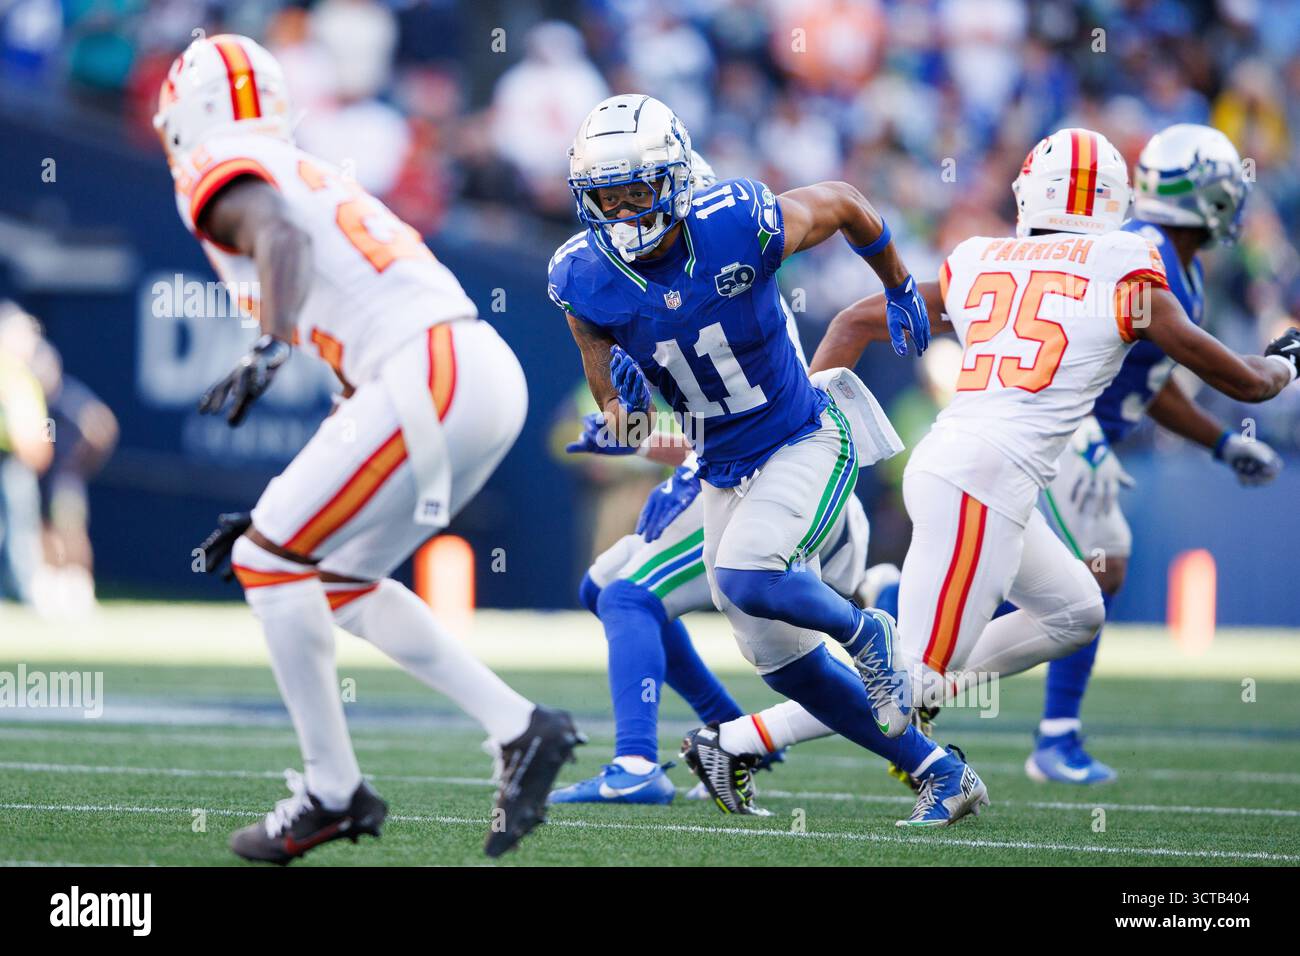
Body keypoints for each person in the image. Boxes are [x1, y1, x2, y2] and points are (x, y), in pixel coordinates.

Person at [687, 128, 1299, 808]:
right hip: (985, 480)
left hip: (966, 469)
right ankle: (737, 740)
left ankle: (900, 663)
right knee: (913, 683)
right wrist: (1288, 360)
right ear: (1114, 202)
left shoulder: (985, 260)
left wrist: (810, 423)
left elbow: (860, 317)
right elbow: (1247, 382)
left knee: (1074, 610)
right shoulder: (1127, 268)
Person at [156, 33, 581, 863]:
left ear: (193, 110)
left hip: (428, 371)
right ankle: (521, 728)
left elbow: (280, 238)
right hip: (464, 368)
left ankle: (331, 791)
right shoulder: (302, 164)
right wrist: (287, 506)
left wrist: (265, 348)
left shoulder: (220, 163)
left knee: (272, 562)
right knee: (334, 578)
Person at [550, 94, 986, 828]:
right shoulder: (581, 279)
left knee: (746, 576)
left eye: (637, 192)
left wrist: (901, 284)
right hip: (721, 467)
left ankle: (864, 628)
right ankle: (939, 772)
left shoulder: (735, 221)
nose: (623, 213)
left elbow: (848, 203)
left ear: (677, 178)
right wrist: (624, 406)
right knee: (786, 667)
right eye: (606, 198)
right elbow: (624, 428)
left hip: (803, 435)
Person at [1024, 123, 1278, 784]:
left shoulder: (1173, 262)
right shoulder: (1147, 254)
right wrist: (1275, 373)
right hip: (1062, 430)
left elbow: (1153, 386)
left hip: (1076, 435)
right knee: (1094, 576)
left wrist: (1223, 444)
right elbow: (1228, 373)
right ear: (1210, 197)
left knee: (1041, 582)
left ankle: (902, 608)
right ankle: (1053, 739)